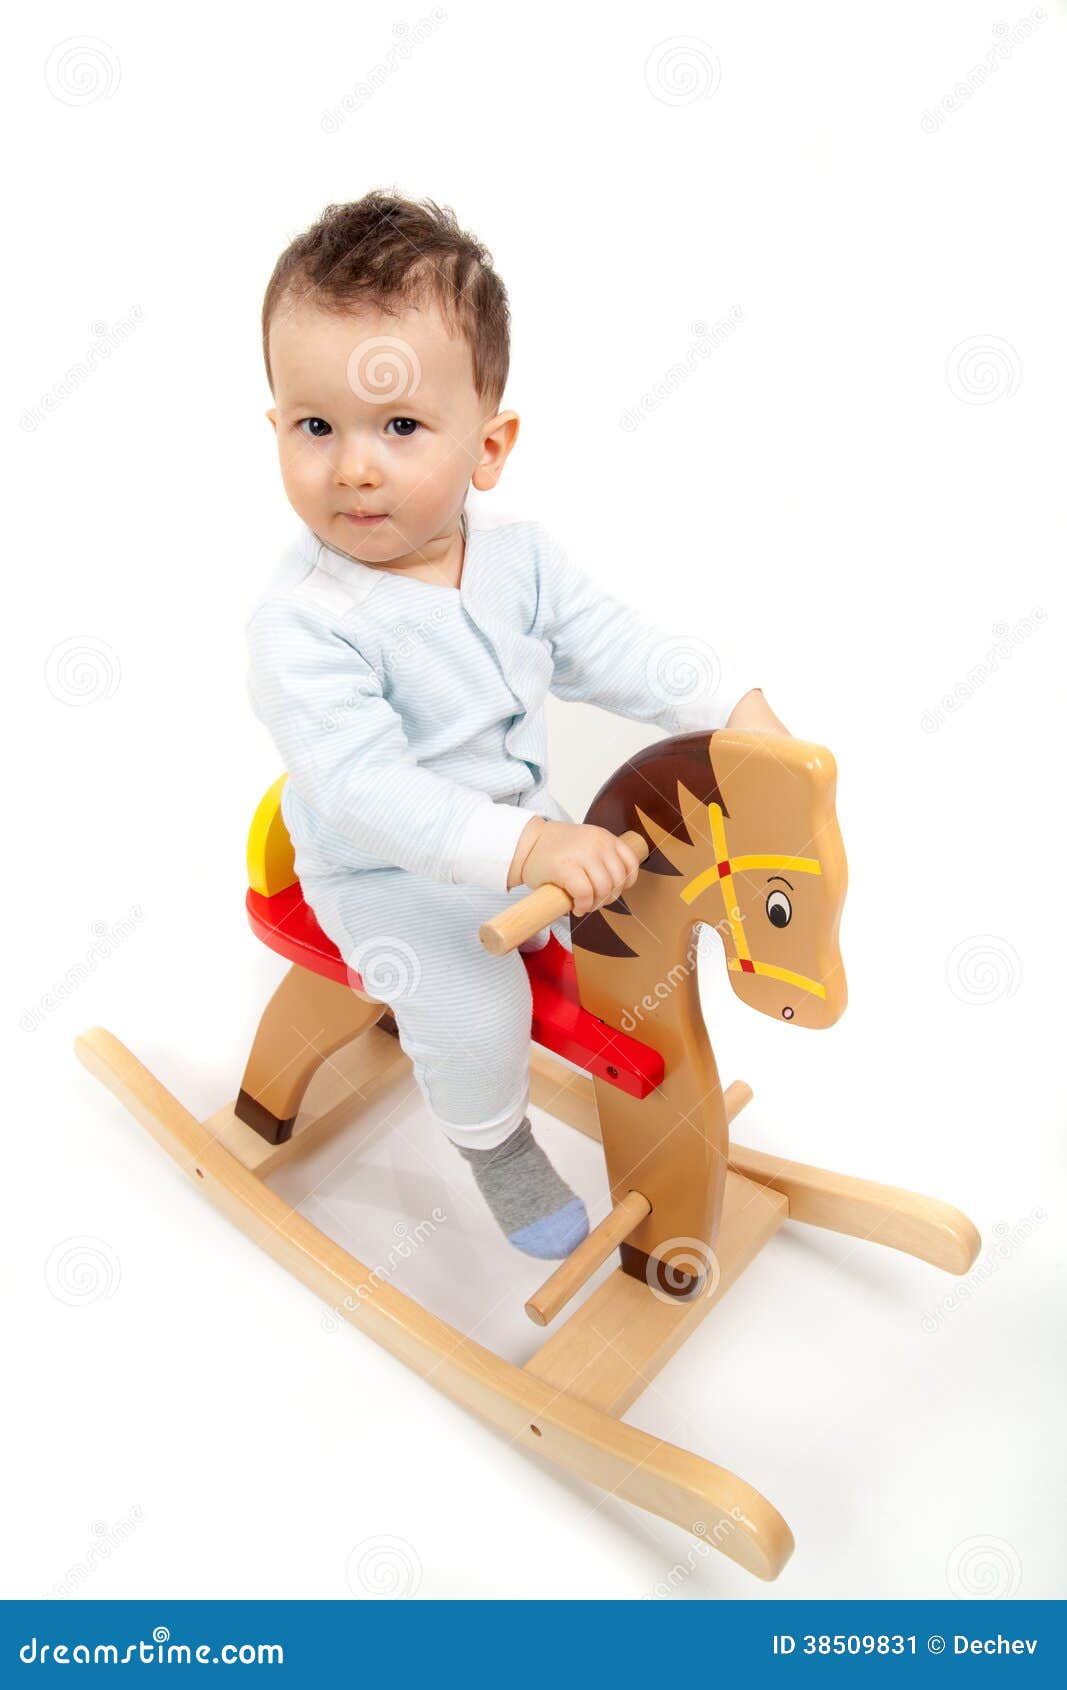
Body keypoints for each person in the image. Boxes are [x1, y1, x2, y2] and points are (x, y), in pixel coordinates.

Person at [246, 191, 789, 1261]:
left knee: (640, 922)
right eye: (317, 426)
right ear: (277, 427)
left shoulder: (516, 556)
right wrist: (531, 848)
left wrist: (729, 705)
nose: (353, 465)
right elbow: (368, 792)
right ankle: (492, 1142)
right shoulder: (301, 625)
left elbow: (613, 644)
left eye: (400, 427)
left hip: (522, 833)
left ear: (487, 446)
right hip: (384, 872)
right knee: (473, 1001)